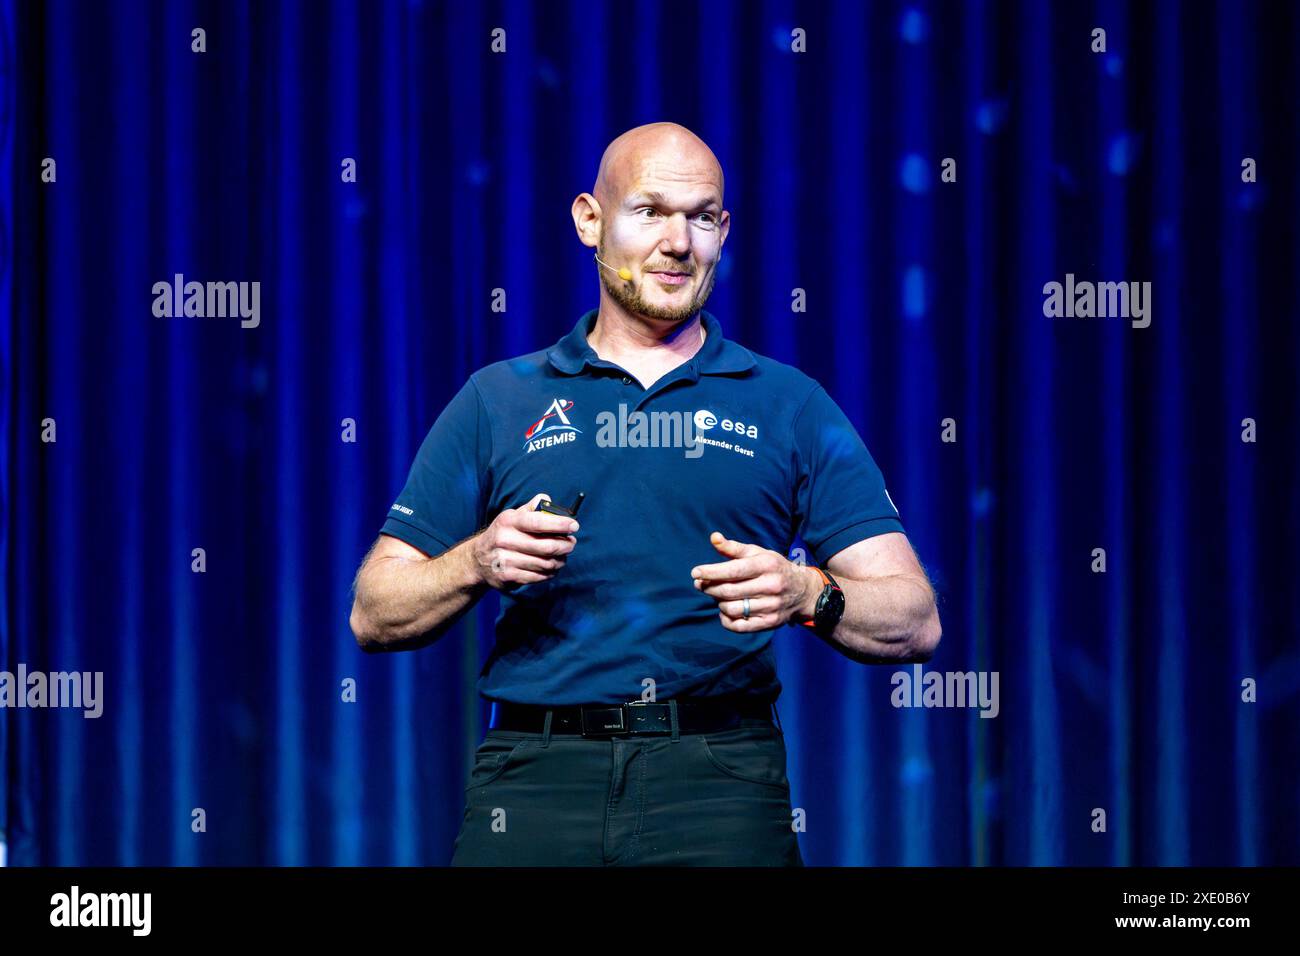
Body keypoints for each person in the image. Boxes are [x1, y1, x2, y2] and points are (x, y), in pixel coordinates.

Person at [349, 122, 942, 866]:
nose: (677, 241)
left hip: (719, 783)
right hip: (536, 779)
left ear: (723, 232)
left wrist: (806, 591)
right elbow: (374, 610)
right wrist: (475, 559)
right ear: (589, 221)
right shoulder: (498, 399)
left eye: (700, 217)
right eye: (649, 211)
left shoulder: (788, 404)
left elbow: (915, 619)